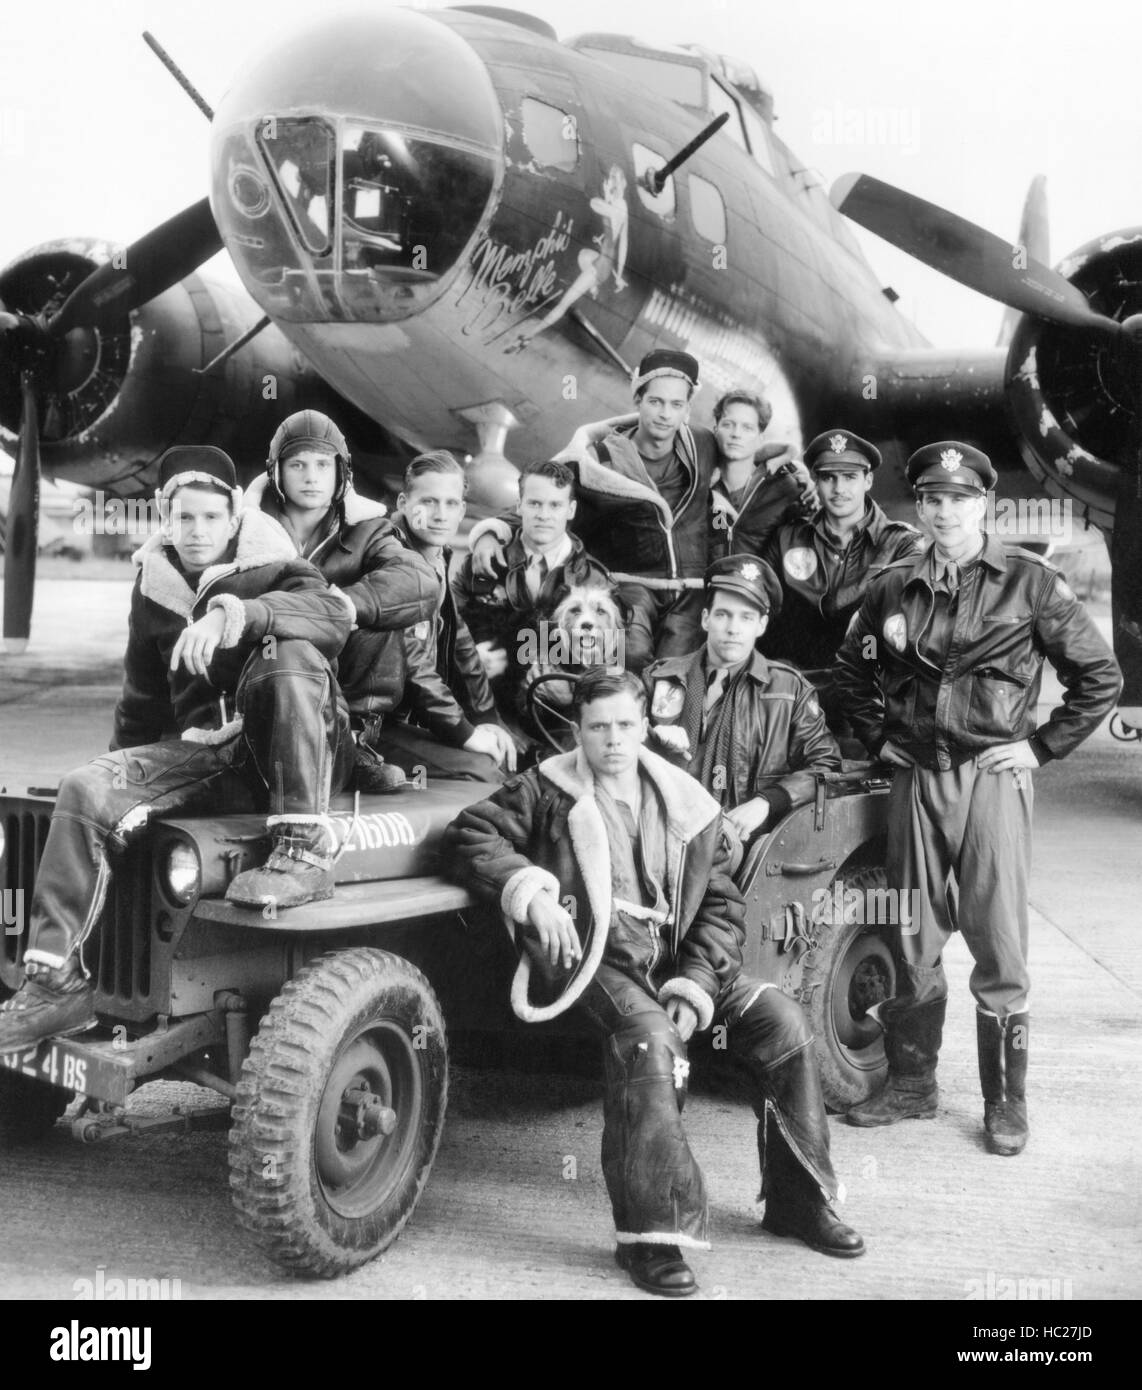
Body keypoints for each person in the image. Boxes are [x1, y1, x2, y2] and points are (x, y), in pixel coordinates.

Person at [445, 668, 864, 1299]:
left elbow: (723, 909)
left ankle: (798, 1201)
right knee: (650, 1040)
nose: (612, 740)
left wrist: (696, 983)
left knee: (782, 1019)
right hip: (598, 962)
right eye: (597, 727)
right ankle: (653, 1238)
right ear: (578, 731)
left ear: (643, 727)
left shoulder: (688, 803)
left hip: (675, 966)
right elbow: (469, 834)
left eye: (623, 725)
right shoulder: (545, 788)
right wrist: (532, 893)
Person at [0, 446, 355, 1053]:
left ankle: (302, 848)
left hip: (294, 752)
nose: (197, 532)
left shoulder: (275, 562)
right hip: (206, 756)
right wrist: (119, 782)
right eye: (183, 518)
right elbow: (140, 703)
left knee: (287, 653)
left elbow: (333, 616)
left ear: (234, 518)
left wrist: (233, 615)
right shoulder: (153, 585)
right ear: (165, 517)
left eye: (211, 518)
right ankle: (56, 983)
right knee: (84, 787)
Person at [833, 442, 1122, 1155]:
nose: (945, 512)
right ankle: (911, 1085)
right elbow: (850, 671)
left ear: (983, 504)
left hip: (992, 777)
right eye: (932, 499)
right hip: (916, 779)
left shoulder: (1030, 582)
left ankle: (1005, 1103)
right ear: (922, 507)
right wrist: (879, 743)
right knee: (909, 931)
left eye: (959, 500)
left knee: (998, 936)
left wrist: (1038, 747)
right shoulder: (894, 583)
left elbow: (1099, 677)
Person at [469, 350, 718, 671]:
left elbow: (747, 458)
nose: (665, 414)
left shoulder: (702, 445)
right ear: (637, 400)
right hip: (631, 585)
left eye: (676, 404)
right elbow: (546, 495)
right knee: (630, 654)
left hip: (690, 592)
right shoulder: (597, 459)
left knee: (677, 669)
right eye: (655, 401)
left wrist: (785, 460)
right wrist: (492, 531)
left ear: (687, 408)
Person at [247, 410, 439, 790]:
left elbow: (419, 581)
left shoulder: (369, 529)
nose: (311, 476)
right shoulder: (246, 527)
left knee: (383, 607)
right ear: (276, 471)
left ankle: (353, 746)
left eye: (322, 464)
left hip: (345, 696)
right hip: (269, 680)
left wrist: (346, 607)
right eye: (297, 464)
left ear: (341, 472)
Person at [644, 555, 841, 844]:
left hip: (741, 838)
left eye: (746, 617)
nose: (733, 629)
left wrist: (767, 802)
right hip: (662, 829)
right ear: (705, 618)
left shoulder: (789, 690)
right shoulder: (660, 679)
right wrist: (650, 741)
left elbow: (826, 767)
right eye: (723, 615)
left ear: (761, 625)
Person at [761, 429, 925, 745]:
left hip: (863, 702)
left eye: (849, 477)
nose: (839, 489)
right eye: (828, 478)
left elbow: (907, 620)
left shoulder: (902, 544)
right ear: (815, 481)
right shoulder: (786, 538)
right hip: (789, 696)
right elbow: (760, 608)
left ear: (868, 481)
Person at [365, 450, 517, 781]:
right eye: (429, 502)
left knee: (507, 751)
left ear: (462, 510)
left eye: (450, 504)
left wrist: (486, 715)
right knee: (484, 772)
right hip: (367, 727)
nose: (440, 514)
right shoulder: (390, 557)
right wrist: (465, 733)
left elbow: (459, 637)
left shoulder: (435, 555)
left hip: (404, 719)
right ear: (404, 502)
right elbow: (413, 663)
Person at [452, 458, 616, 721]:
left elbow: (608, 668)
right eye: (535, 503)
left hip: (553, 718)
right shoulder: (483, 563)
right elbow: (445, 621)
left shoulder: (594, 581)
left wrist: (571, 684)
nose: (544, 515)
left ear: (571, 510)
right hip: (479, 706)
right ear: (519, 506)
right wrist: (468, 657)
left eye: (555, 505)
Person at [708, 389, 813, 561]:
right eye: (728, 424)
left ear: (760, 438)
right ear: (715, 429)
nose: (736, 434)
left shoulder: (786, 488)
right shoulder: (698, 484)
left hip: (759, 585)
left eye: (747, 428)